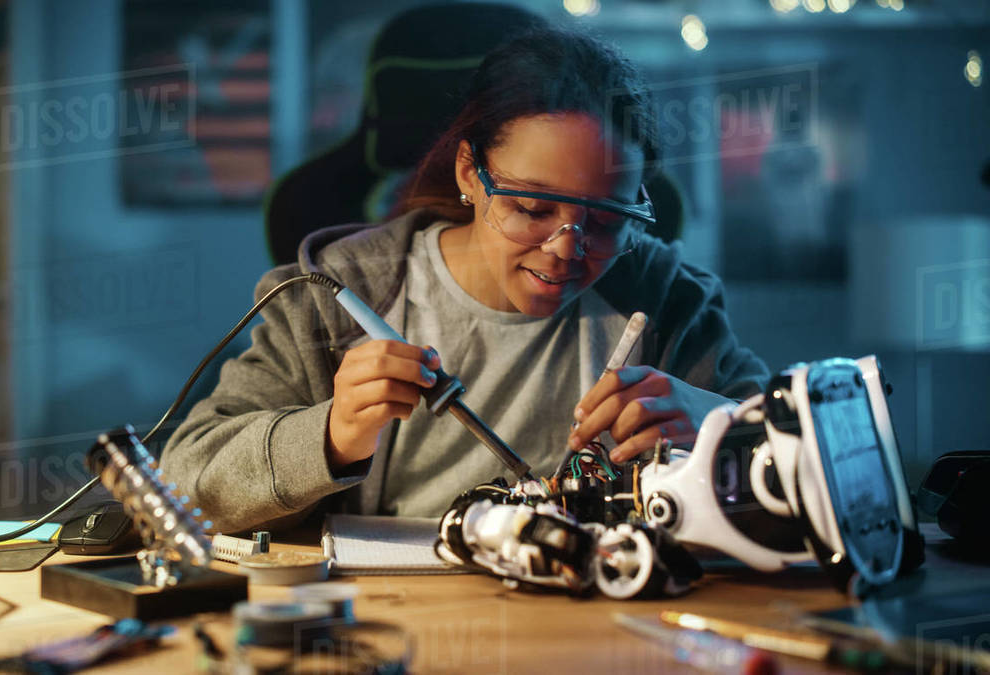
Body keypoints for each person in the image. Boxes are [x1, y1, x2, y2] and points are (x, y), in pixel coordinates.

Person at [160, 26, 768, 534]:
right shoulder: (340, 298)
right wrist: (332, 434)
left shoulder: (665, 298)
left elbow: (806, 458)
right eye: (532, 209)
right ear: (470, 174)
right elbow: (186, 481)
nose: (565, 250)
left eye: (607, 222)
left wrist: (722, 426)